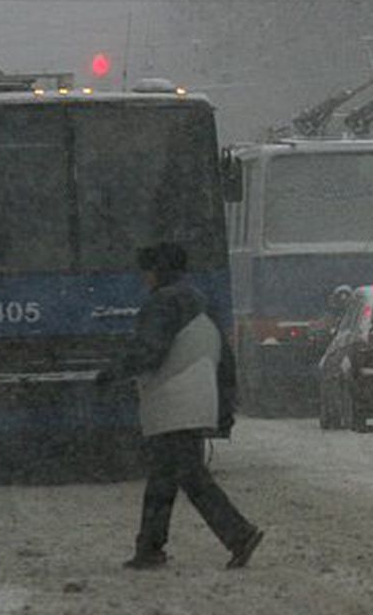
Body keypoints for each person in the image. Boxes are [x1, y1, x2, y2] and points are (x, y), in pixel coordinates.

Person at [97, 242, 263, 570]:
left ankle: (239, 534)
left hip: (173, 400)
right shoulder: (201, 303)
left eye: (147, 270)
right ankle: (150, 547)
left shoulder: (162, 304)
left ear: (157, 271)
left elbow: (149, 351)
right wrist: (225, 405)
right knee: (164, 477)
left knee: (190, 476)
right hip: (197, 397)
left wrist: (112, 373)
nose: (144, 277)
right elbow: (225, 360)